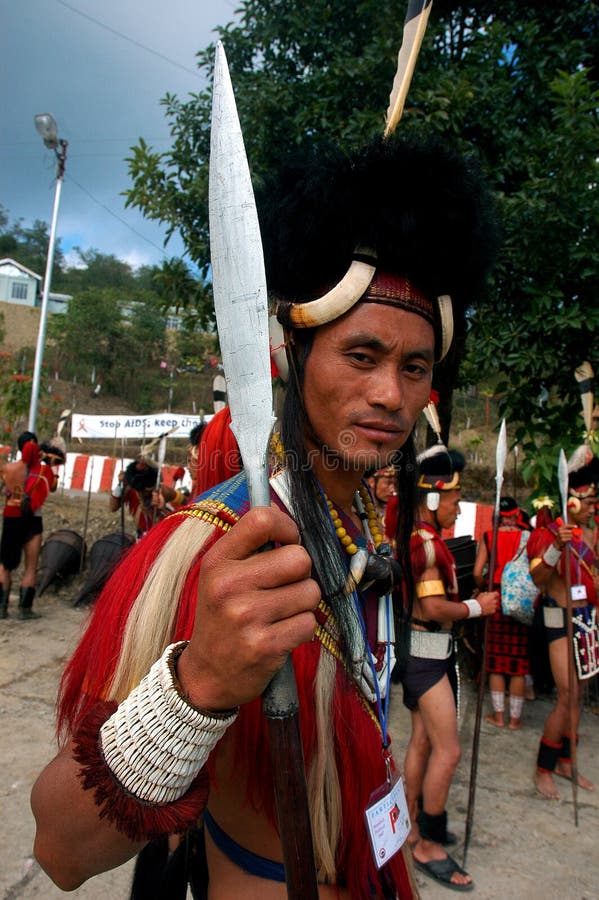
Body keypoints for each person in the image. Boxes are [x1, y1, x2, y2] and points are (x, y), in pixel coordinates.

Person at [30, 135, 498, 898]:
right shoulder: (210, 552)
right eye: (360, 355)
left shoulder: (366, 530)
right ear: (294, 356)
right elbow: (59, 850)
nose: (389, 393)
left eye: (414, 368)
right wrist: (201, 683)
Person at [402, 444, 499, 892]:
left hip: (429, 654)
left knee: (423, 744)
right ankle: (427, 843)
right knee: (448, 750)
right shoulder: (423, 541)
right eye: (456, 500)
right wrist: (478, 607)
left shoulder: (426, 537)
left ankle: (411, 829)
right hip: (426, 656)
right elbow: (434, 605)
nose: (459, 508)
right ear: (436, 497)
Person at [528, 447, 599, 800]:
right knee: (567, 694)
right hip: (559, 619)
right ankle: (544, 767)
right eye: (587, 502)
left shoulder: (591, 535)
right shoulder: (550, 533)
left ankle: (567, 761)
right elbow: (539, 578)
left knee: (579, 695)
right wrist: (557, 547)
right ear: (571, 500)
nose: (592, 508)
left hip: (587, 620)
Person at [472, 496, 532, 729]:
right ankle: (515, 719)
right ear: (517, 515)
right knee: (517, 663)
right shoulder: (528, 538)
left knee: (496, 662)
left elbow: (478, 571)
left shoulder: (489, 536)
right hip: (520, 602)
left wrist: (483, 585)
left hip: (495, 598)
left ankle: (498, 716)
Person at [0, 431, 63, 619]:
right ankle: (24, 610)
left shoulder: (8, 469)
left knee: (4, 565)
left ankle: (1, 608)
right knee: (30, 566)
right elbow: (52, 487)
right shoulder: (45, 471)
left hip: (11, 517)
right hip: (33, 520)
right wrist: (47, 463)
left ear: (20, 448)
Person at [110, 454, 186, 540]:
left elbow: (187, 503)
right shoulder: (130, 489)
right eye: (140, 491)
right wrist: (120, 485)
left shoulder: (164, 491)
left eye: (146, 491)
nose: (142, 494)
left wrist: (162, 509)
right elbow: (113, 507)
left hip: (163, 538)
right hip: (142, 538)